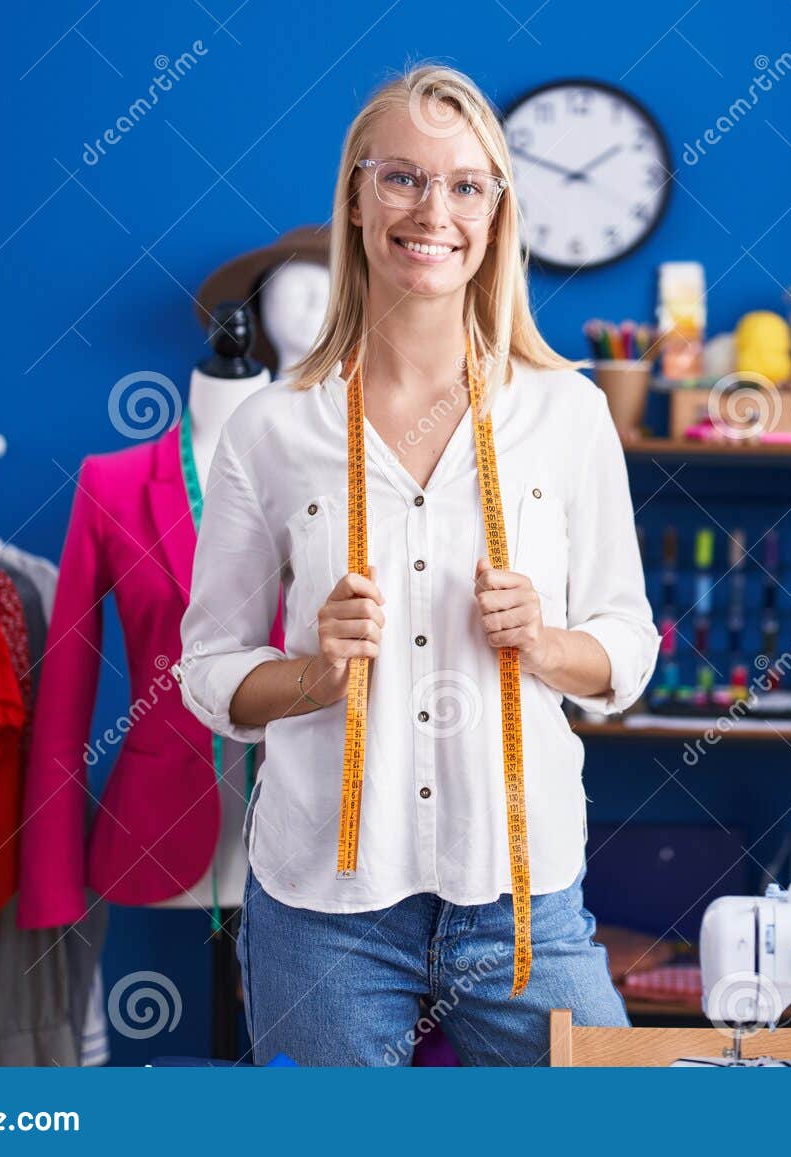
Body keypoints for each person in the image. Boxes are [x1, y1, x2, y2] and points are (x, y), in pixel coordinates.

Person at [177, 64, 659, 1066]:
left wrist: (548, 642)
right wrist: (312, 671)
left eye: (465, 185)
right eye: (400, 177)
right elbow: (206, 668)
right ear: (355, 198)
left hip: (522, 896)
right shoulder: (271, 429)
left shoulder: (565, 414)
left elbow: (626, 645)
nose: (431, 209)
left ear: (495, 214)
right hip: (324, 909)